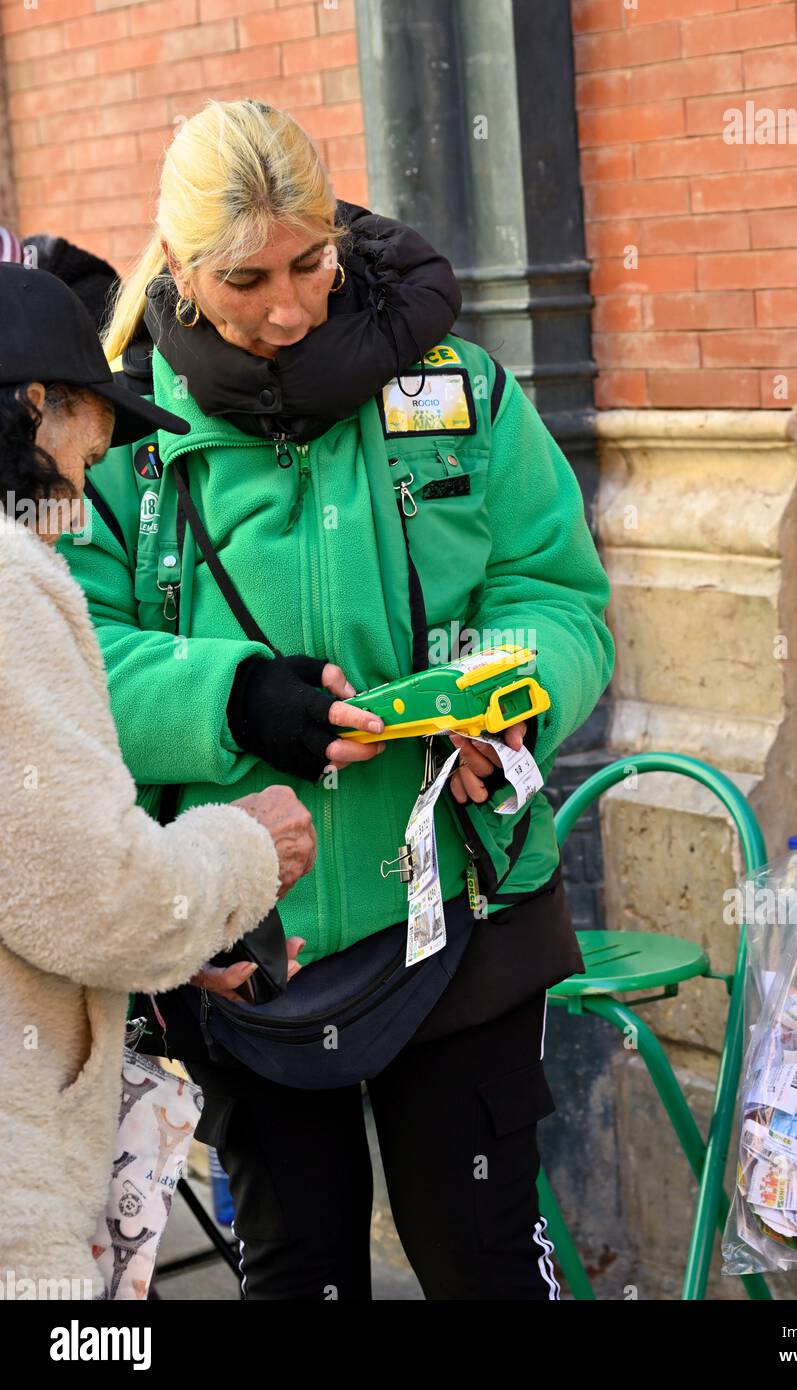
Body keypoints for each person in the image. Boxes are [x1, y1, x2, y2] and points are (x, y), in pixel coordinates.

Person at [63, 98, 614, 1300]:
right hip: (243, 940)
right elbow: (60, 655)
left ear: (341, 234)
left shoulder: (457, 386)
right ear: (179, 268)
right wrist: (232, 698)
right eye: (245, 278)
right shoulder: (111, 432)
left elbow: (558, 595)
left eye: (311, 261)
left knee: (484, 1268)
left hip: (460, 910)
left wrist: (511, 699)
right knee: (300, 1271)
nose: (290, 307)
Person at [0, 263, 318, 1300]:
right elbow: (96, 896)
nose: (85, 499)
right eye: (86, 454)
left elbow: (27, 872)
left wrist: (174, 953)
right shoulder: (8, 579)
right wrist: (243, 851)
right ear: (37, 405)